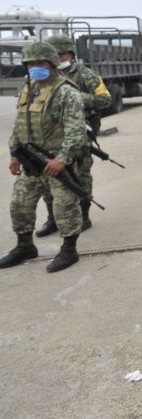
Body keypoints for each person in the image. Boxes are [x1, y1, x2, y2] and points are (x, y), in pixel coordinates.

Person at [0, 42, 88, 273]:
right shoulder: (28, 89)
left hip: (57, 163)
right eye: (29, 64)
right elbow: (19, 124)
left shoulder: (66, 92)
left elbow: (76, 130)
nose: (34, 68)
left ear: (52, 64)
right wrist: (14, 154)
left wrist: (61, 159)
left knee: (64, 208)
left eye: (39, 63)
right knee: (20, 205)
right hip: (30, 161)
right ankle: (25, 247)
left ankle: (69, 250)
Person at [31, 34, 112, 236]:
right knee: (49, 179)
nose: (58, 57)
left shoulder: (85, 75)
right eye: (54, 54)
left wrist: (74, 98)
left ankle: (83, 215)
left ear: (71, 54)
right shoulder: (44, 77)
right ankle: (54, 219)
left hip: (80, 137)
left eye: (62, 53)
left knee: (81, 177)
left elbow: (105, 100)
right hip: (49, 138)